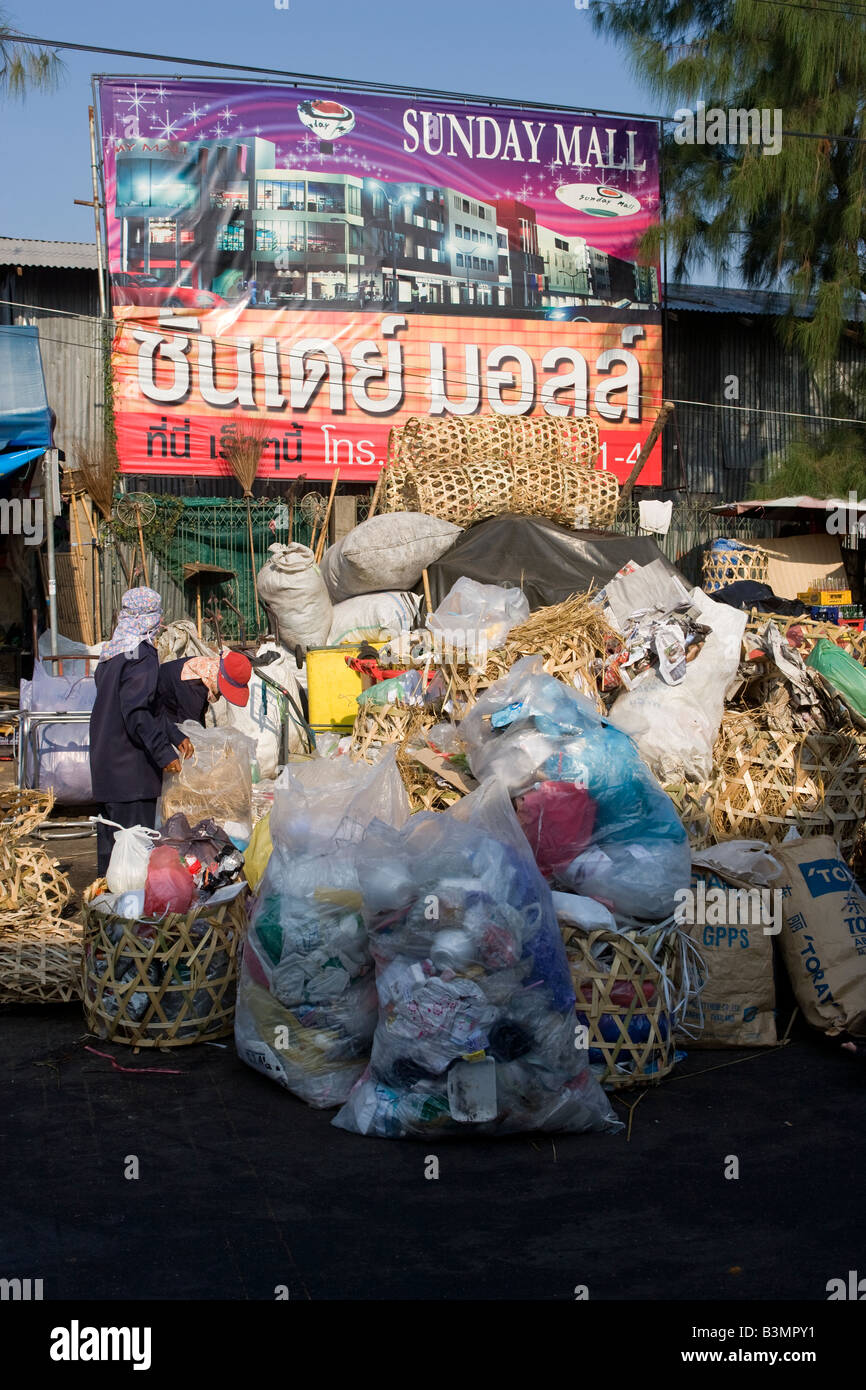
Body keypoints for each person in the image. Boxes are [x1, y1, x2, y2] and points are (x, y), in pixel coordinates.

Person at [89, 588, 191, 877]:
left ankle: (106, 915)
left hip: (107, 764)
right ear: (152, 618)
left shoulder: (112, 653)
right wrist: (162, 753)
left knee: (112, 860)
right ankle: (129, 918)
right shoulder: (142, 654)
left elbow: (149, 705)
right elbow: (137, 712)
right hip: (131, 772)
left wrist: (175, 735)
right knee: (132, 863)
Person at [157, 649, 253, 726]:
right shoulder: (194, 685)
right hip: (153, 703)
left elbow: (198, 716)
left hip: (170, 703)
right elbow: (190, 728)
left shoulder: (208, 673)